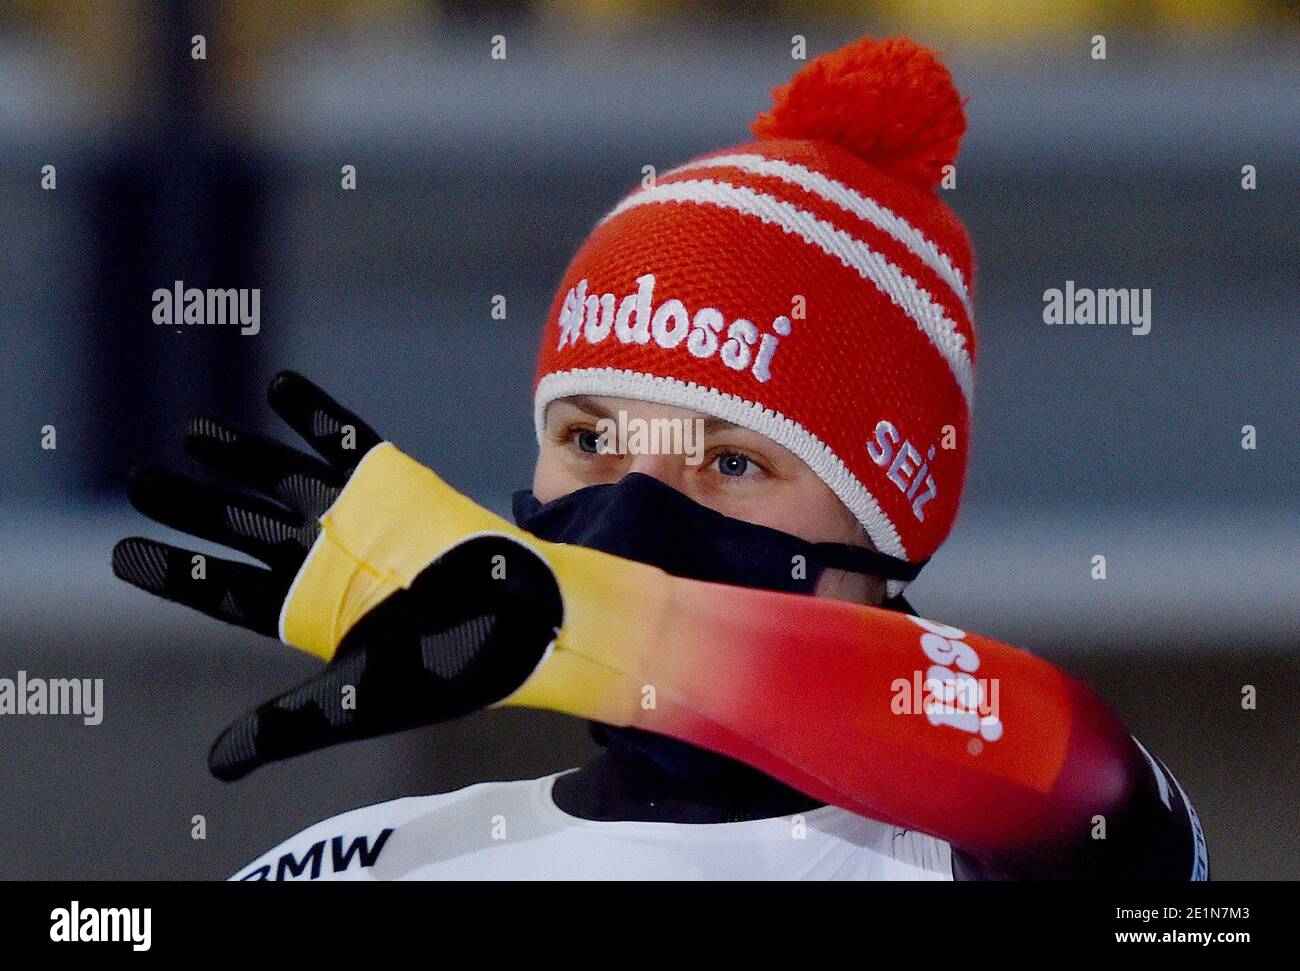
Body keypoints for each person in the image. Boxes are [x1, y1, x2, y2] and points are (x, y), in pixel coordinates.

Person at [113, 36, 1207, 880]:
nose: (630, 512)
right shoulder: (381, 859)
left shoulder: (986, 854)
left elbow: (1069, 766)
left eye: (731, 461)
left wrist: (578, 621)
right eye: (588, 439)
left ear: (885, 534)